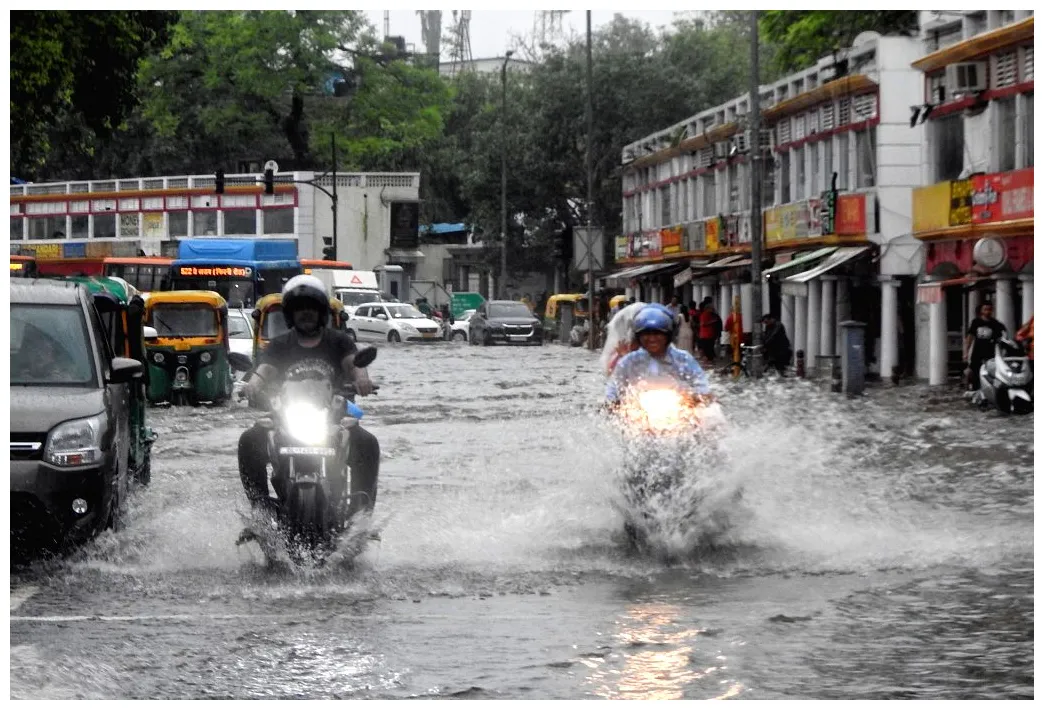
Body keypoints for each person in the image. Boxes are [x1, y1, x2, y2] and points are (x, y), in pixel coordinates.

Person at [237, 275, 381, 524]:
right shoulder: (280, 344)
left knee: (368, 443)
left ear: (321, 312)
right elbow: (265, 369)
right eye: (300, 308)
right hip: (287, 414)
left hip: (332, 415)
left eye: (311, 308)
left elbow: (353, 365)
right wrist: (253, 384)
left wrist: (362, 379)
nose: (306, 313)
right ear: (291, 314)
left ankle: (360, 515)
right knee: (249, 441)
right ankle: (260, 509)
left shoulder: (339, 341)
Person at [605, 305, 713, 408]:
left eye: (657, 333)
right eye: (646, 334)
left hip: (678, 413)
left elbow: (703, 388)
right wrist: (614, 404)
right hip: (638, 415)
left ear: (668, 335)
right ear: (639, 336)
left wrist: (693, 398)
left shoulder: (684, 359)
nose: (652, 339)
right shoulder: (628, 362)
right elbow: (612, 390)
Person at [964, 302, 1006, 391]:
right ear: (981, 311)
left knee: (990, 372)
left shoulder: (995, 323)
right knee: (974, 372)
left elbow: (1001, 337)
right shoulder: (976, 322)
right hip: (977, 352)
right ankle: (974, 390)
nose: (987, 312)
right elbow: (970, 338)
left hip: (991, 353)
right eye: (985, 309)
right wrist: (966, 352)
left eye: (989, 309)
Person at [697, 299, 722, 363]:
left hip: (710, 335)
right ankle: (709, 360)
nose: (713, 309)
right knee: (707, 349)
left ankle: (710, 360)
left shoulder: (712, 315)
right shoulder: (704, 315)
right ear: (707, 309)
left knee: (710, 348)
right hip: (706, 335)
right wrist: (712, 322)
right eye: (711, 308)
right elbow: (703, 323)